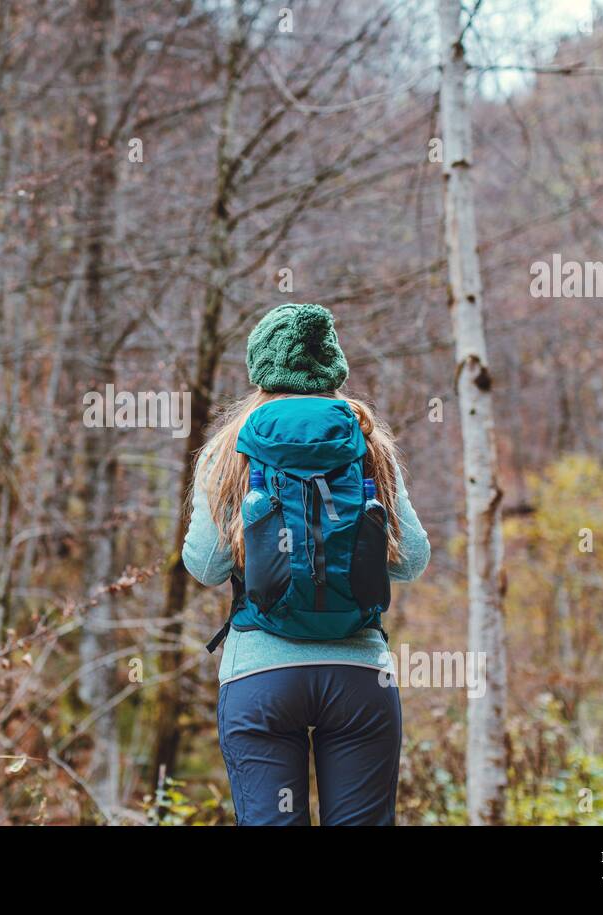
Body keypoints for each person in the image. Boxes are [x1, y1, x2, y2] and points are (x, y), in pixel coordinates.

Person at [182, 303, 431, 825]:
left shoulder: (229, 448)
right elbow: (411, 561)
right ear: (331, 368)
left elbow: (206, 564)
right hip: (358, 677)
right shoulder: (367, 443)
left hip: (259, 675)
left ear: (260, 372)